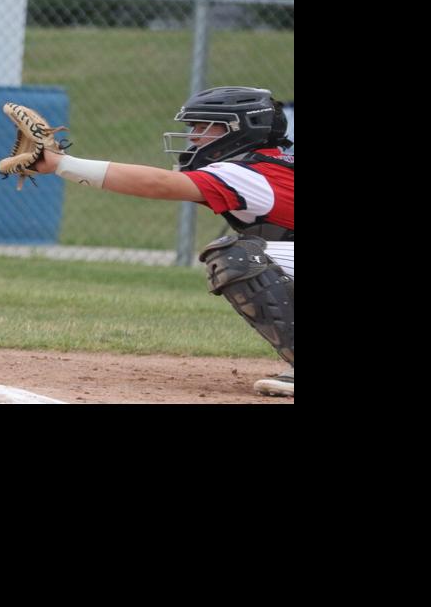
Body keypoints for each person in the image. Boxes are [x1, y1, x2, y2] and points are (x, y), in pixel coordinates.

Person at [33, 86, 294, 397]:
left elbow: (159, 183)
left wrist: (61, 163)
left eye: (203, 127)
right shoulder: (268, 165)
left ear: (240, 129)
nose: (194, 137)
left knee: (238, 257)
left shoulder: (250, 174)